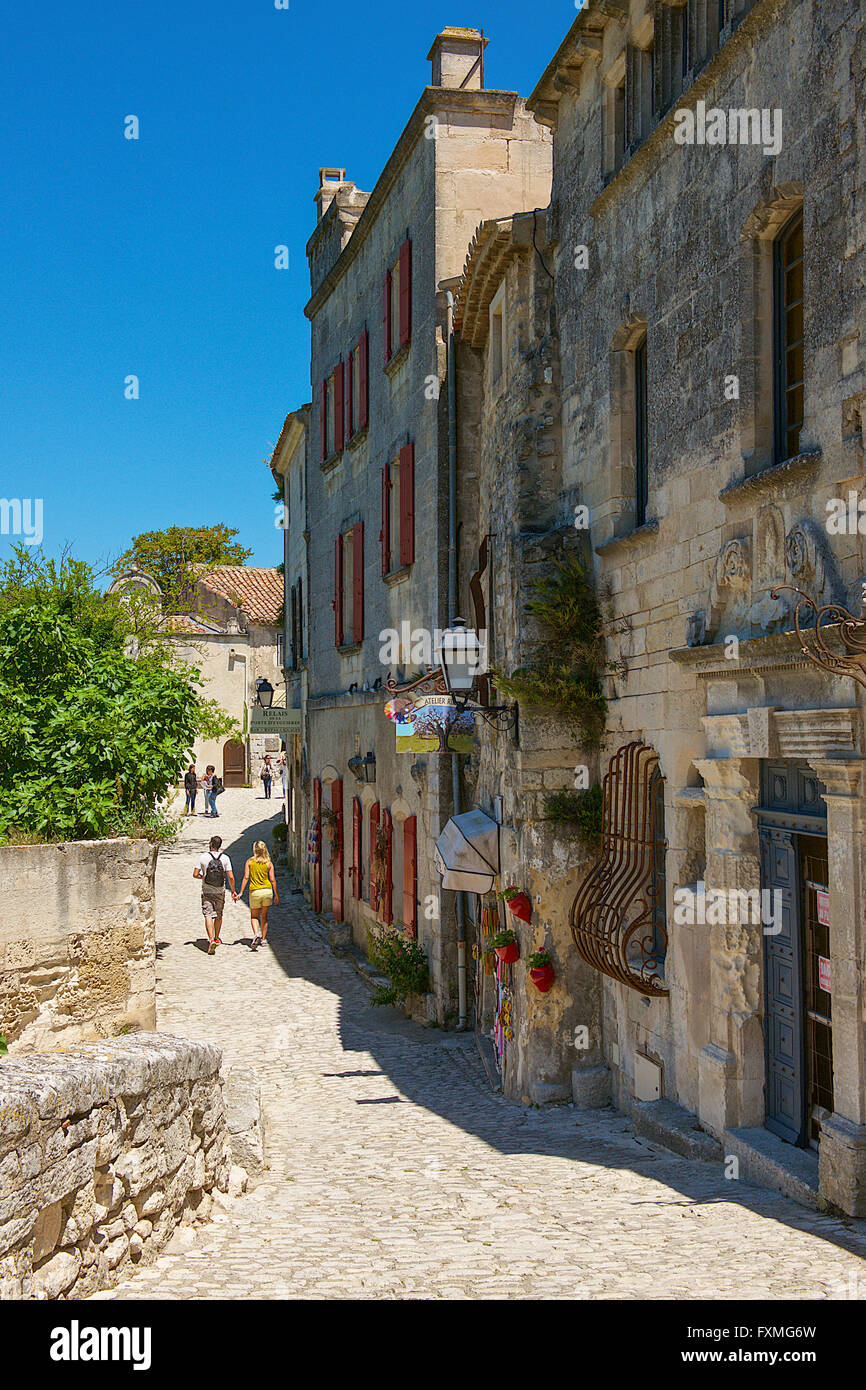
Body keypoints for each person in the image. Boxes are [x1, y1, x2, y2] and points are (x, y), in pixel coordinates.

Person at [193, 835, 237, 954]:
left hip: (207, 891)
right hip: (220, 891)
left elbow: (195, 874)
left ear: (210, 844)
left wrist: (203, 877)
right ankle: (217, 937)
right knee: (218, 914)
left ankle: (211, 939)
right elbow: (231, 877)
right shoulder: (225, 858)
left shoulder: (203, 857)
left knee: (208, 914)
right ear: (220, 845)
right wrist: (233, 891)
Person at [238, 840, 279, 950]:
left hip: (255, 892)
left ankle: (256, 934)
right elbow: (273, 880)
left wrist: (241, 892)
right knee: (264, 916)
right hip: (267, 891)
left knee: (254, 916)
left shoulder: (250, 862)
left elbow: (246, 877)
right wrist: (276, 895)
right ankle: (264, 939)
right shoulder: (269, 863)